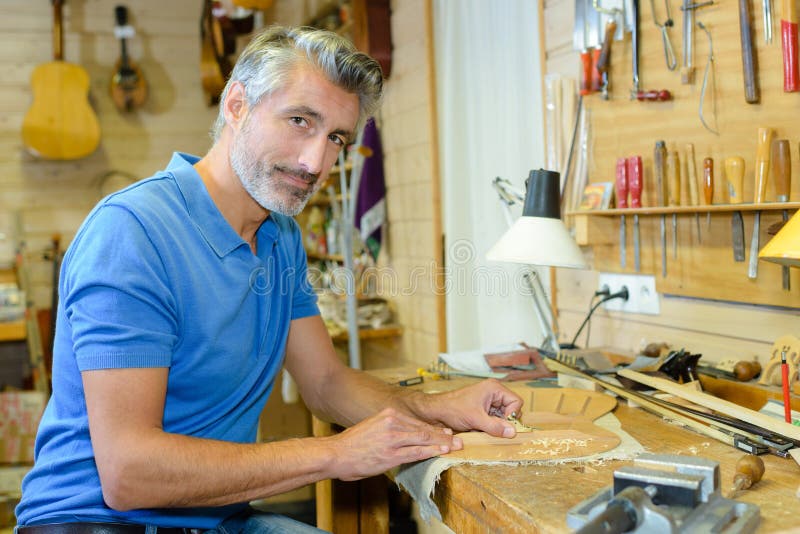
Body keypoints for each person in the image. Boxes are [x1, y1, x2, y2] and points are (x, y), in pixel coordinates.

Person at [15, 25, 523, 533]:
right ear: (236, 104)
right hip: (96, 521)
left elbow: (325, 382)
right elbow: (129, 473)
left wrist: (438, 410)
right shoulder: (133, 234)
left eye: (336, 138)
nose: (315, 162)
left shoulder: (280, 235)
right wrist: (335, 453)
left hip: (214, 517)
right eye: (300, 121)